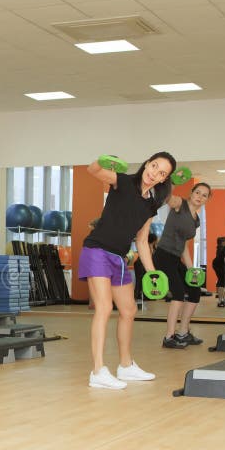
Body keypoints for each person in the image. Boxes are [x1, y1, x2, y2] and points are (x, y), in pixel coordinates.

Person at [78, 152, 176, 390]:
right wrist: (102, 160)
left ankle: (126, 365)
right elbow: (93, 170)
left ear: (164, 179)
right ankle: (98, 371)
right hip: (97, 250)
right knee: (104, 308)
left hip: (118, 258)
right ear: (147, 164)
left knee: (129, 310)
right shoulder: (122, 181)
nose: (154, 173)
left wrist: (152, 273)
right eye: (154, 166)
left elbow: (142, 241)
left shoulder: (150, 205)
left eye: (161, 172)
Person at [155, 182, 212, 348]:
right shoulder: (180, 204)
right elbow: (167, 198)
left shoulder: (196, 220)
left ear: (207, 199)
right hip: (163, 255)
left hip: (176, 258)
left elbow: (184, 247)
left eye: (204, 195)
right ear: (191, 193)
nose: (200, 197)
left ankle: (183, 332)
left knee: (194, 291)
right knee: (178, 293)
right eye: (198, 192)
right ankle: (169, 337)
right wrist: (171, 183)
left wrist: (191, 269)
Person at [133, 232, 158, 299]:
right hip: (141, 264)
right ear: (154, 241)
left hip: (140, 264)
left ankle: (141, 295)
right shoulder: (147, 247)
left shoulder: (150, 247)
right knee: (141, 280)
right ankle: (139, 295)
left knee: (141, 280)